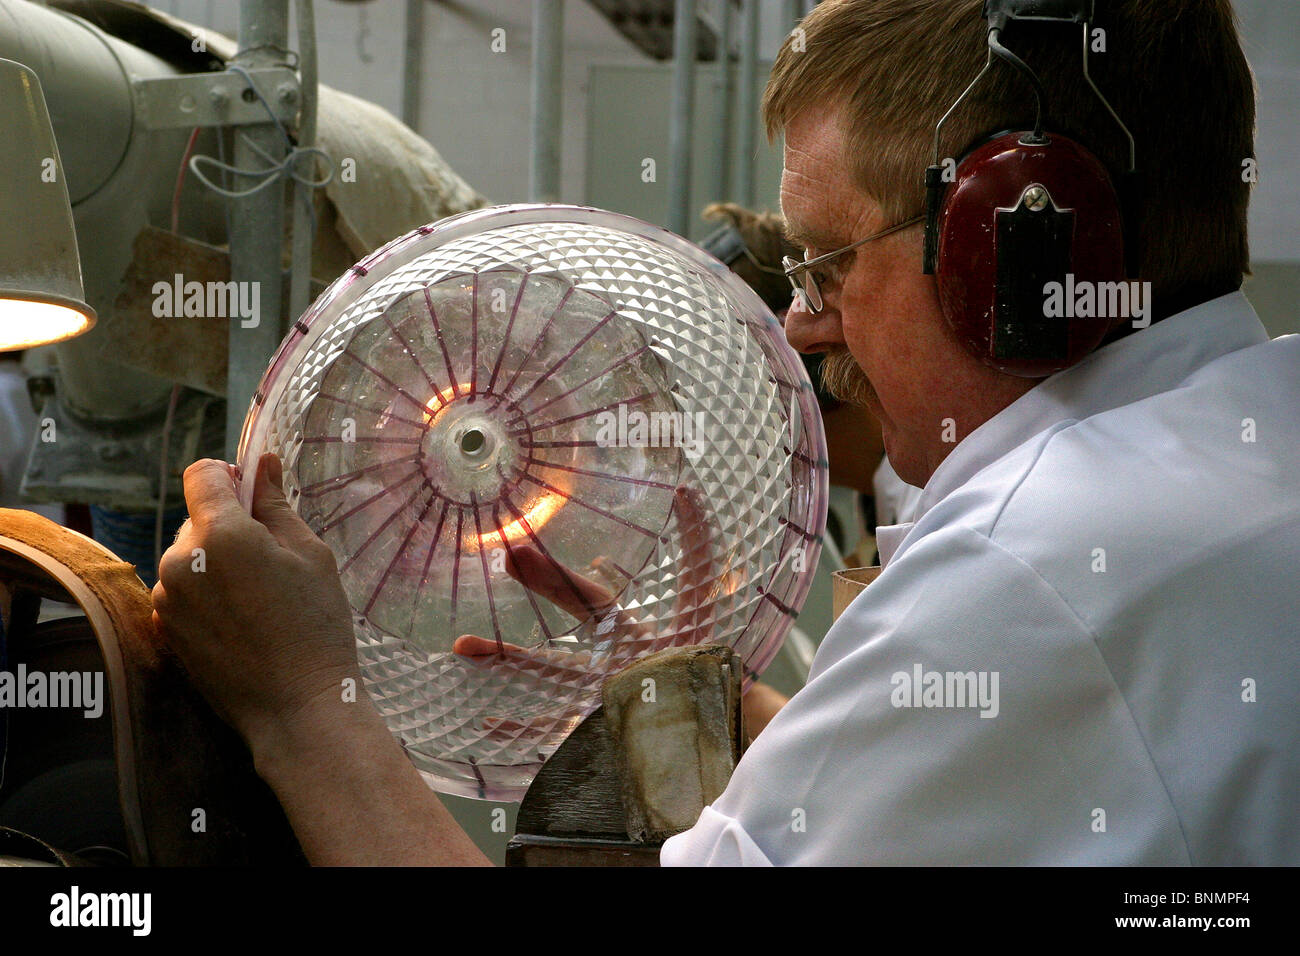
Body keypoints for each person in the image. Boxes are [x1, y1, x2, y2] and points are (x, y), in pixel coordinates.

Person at [152, 0, 1299, 865]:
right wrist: (779, 749)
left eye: (828, 259)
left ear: (1025, 252)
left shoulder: (1028, 567)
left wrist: (302, 703)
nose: (801, 322)